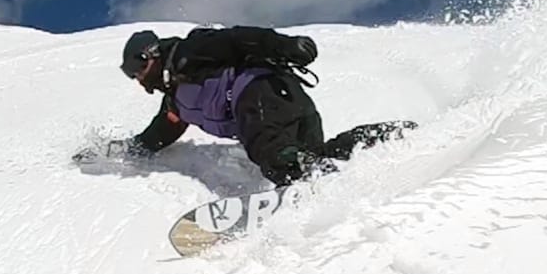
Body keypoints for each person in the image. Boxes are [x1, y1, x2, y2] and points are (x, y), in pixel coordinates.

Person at [84, 25, 410, 186]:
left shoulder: (188, 52)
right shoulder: (175, 103)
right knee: (315, 160)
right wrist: (114, 151)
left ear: (150, 57)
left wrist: (285, 45)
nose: (137, 80)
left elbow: (236, 39)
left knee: (271, 151)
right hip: (287, 103)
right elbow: (157, 136)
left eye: (135, 71)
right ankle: (383, 138)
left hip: (261, 94)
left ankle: (295, 167)